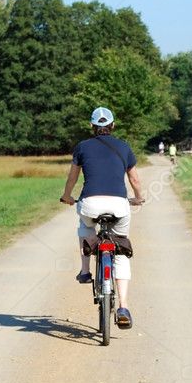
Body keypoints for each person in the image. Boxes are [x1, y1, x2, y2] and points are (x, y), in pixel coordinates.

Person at [60, 107, 144, 328]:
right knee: (121, 250)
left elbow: (72, 177)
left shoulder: (82, 147)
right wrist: (138, 198)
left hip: (90, 203)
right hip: (119, 205)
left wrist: (67, 196)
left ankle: (86, 271)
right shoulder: (124, 147)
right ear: (113, 126)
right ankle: (123, 306)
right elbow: (135, 180)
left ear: (92, 127)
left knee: (85, 227)